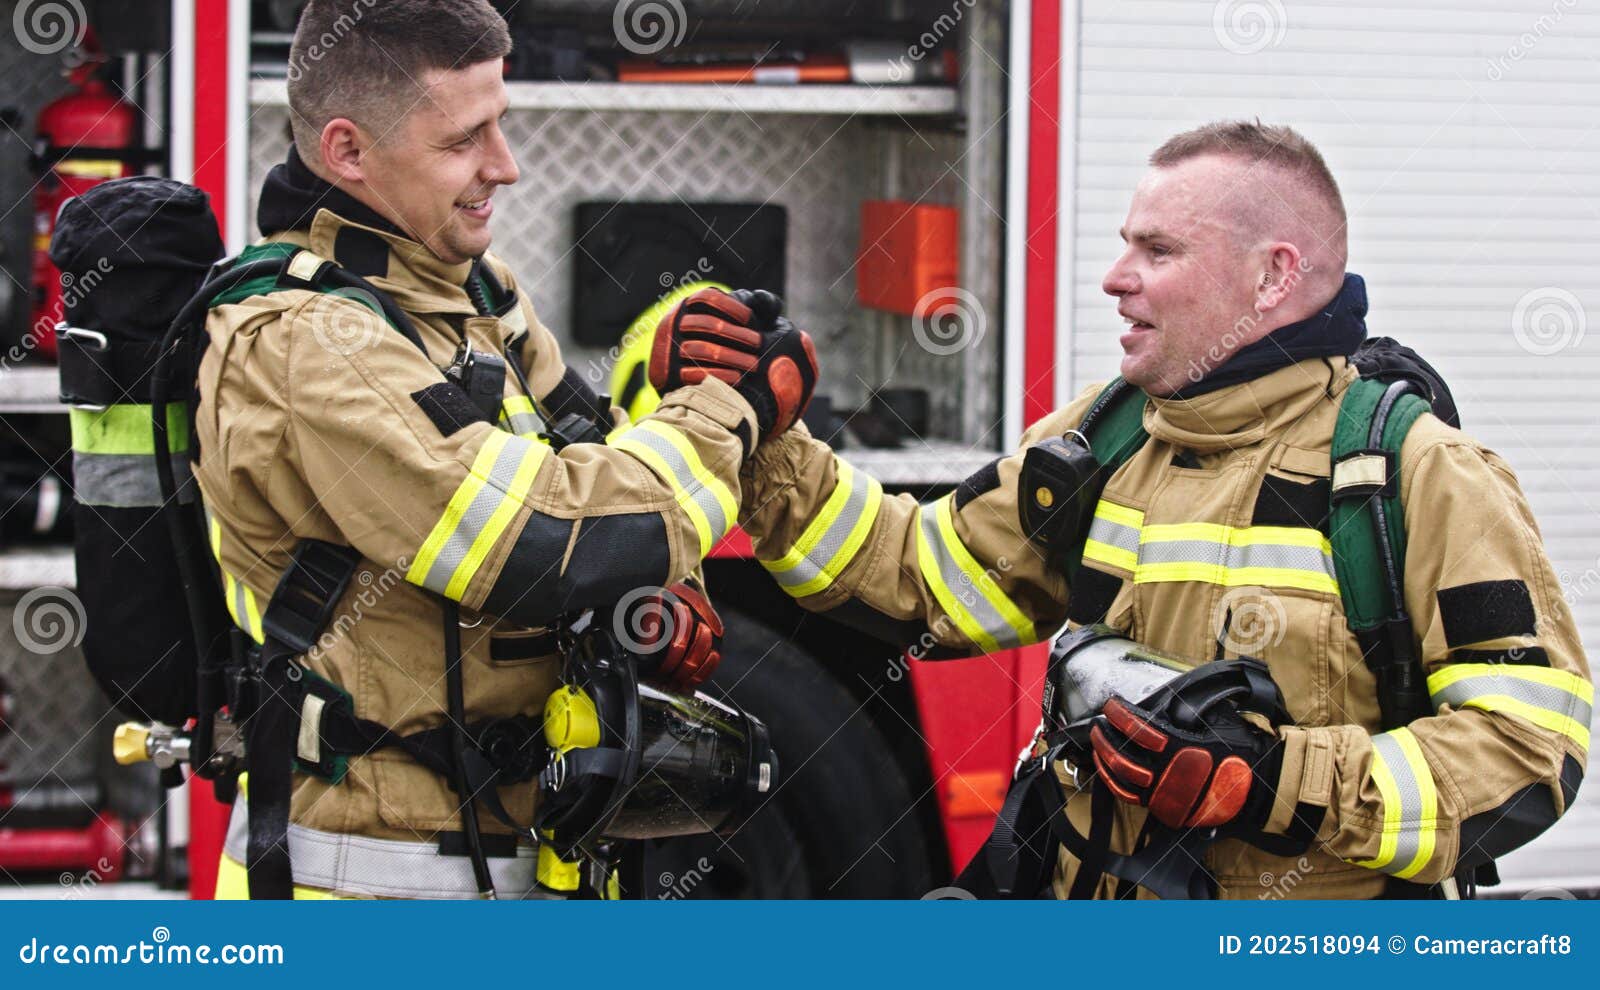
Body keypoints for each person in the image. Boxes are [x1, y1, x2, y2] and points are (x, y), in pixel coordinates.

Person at [666, 121, 1591, 898]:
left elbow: (1529, 751)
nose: (1115, 277)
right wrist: (761, 434)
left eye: (1158, 251)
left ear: (1272, 277)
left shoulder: (1416, 473)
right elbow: (921, 578)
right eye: (1125, 244)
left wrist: (1273, 784)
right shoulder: (1107, 440)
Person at [195, 0, 812, 899]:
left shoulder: (471, 290)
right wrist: (733, 410)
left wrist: (667, 600)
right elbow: (549, 544)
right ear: (347, 152)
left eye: (502, 125)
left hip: (515, 868)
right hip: (373, 894)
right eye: (462, 141)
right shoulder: (307, 345)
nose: (506, 168)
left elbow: (593, 461)